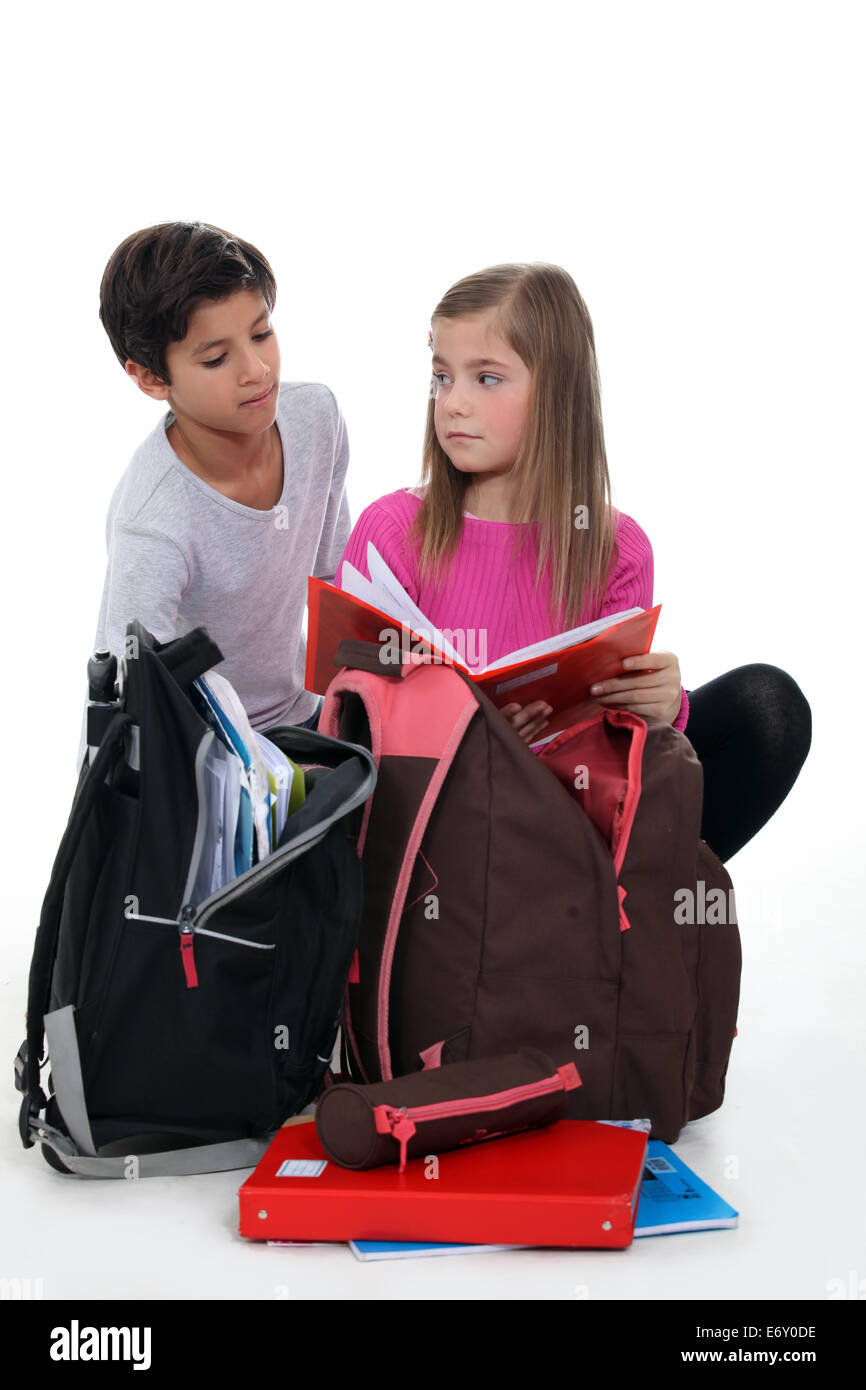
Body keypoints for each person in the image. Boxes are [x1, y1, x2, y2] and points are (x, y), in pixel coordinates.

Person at [336, 263, 810, 862]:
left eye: (485, 378)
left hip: (569, 821)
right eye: (440, 377)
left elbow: (619, 749)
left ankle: (608, 919)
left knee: (767, 707)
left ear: (558, 393)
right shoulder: (390, 531)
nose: (452, 404)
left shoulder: (616, 548)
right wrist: (473, 744)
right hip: (436, 832)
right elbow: (349, 725)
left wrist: (665, 708)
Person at [80, 221, 343, 767]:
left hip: (309, 718)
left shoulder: (317, 418)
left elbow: (336, 581)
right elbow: (131, 711)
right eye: (216, 359)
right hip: (206, 760)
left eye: (262, 332)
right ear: (151, 378)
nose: (257, 370)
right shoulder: (153, 526)